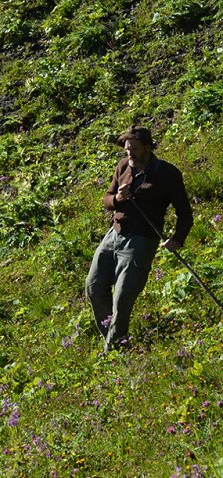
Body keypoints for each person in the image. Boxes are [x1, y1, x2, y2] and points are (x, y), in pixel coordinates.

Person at [85, 125, 193, 350]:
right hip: (113, 236)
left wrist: (177, 239)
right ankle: (114, 338)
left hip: (141, 241)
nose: (129, 154)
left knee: (122, 298)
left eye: (133, 149)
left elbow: (185, 213)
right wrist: (117, 198)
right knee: (93, 287)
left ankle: (114, 350)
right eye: (126, 149)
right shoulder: (124, 166)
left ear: (147, 147)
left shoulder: (167, 174)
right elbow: (106, 199)